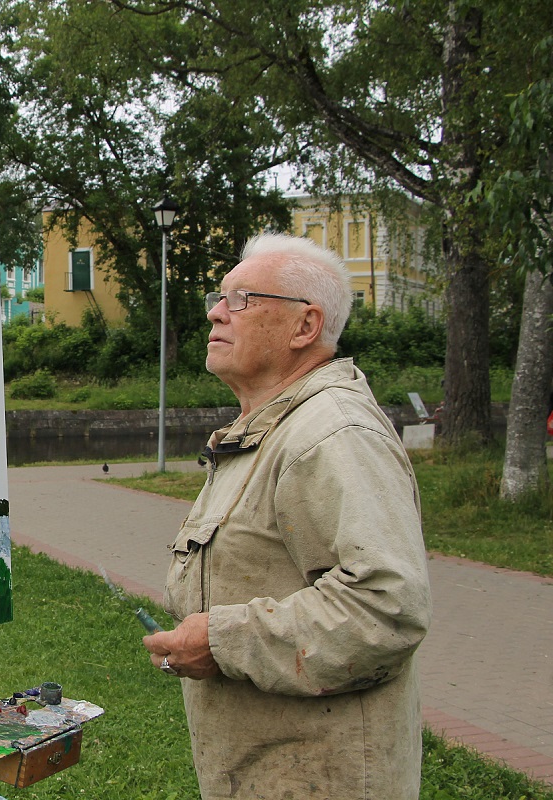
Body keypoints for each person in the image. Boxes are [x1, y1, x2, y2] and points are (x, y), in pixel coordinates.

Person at [144, 233, 432, 799]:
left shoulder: (332, 434)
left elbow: (385, 608)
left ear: (305, 326)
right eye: (218, 297)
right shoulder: (274, 427)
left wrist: (221, 640)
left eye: (242, 299)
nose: (216, 313)